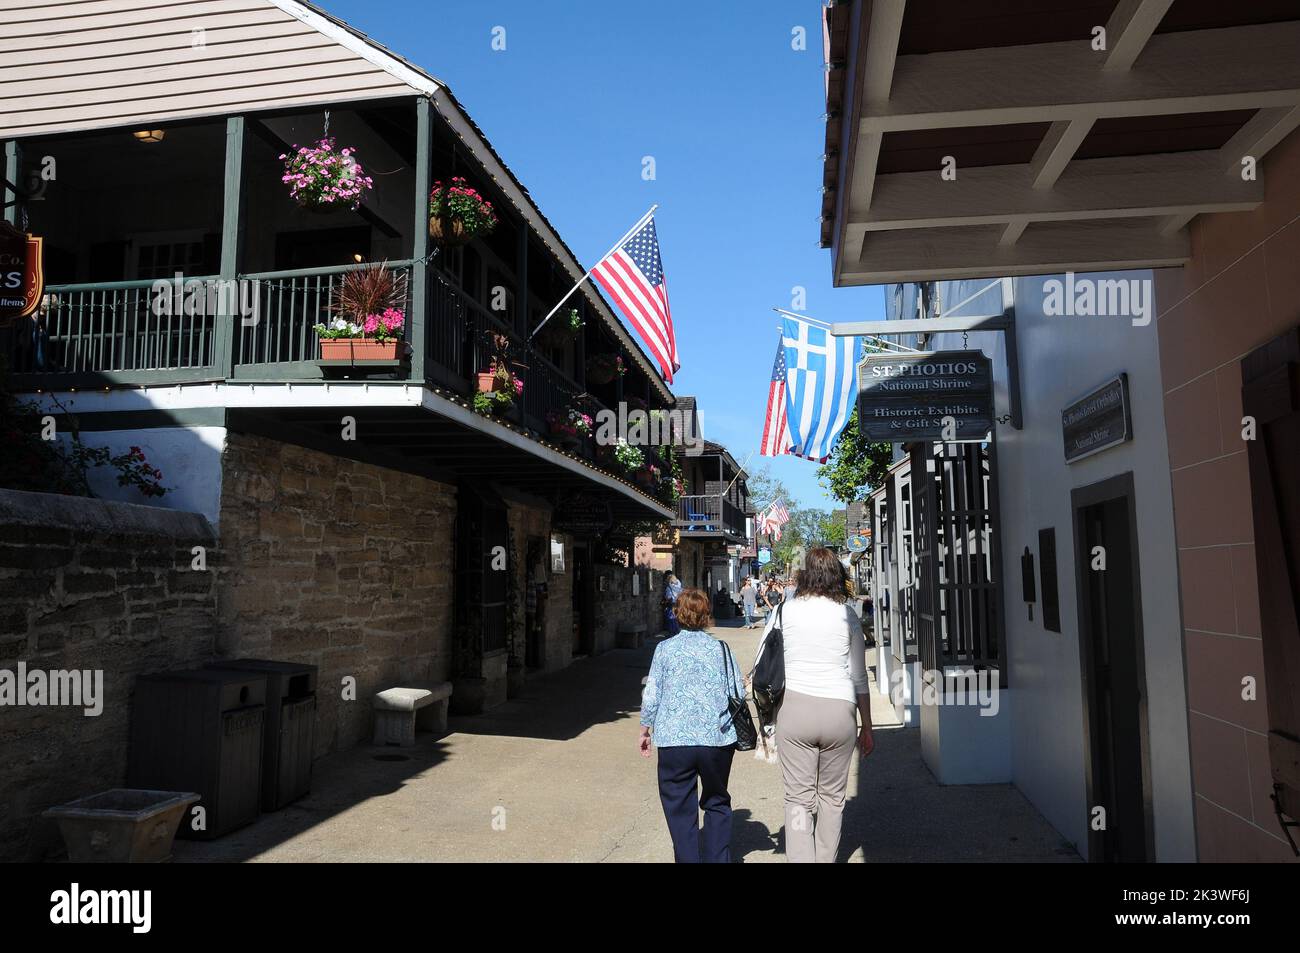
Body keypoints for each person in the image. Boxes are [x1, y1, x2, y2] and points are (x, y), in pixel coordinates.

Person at [755, 548, 873, 863]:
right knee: (833, 800)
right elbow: (859, 676)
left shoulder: (783, 611)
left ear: (805, 574)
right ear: (837, 575)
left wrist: (766, 723)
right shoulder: (847, 615)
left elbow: (761, 666)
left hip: (794, 712)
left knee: (797, 799)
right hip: (840, 712)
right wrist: (868, 726)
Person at [639, 588, 746, 863]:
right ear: (706, 615)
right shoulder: (721, 649)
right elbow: (738, 692)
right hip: (717, 739)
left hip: (675, 740)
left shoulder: (664, 649)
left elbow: (652, 693)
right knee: (717, 801)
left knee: (679, 807)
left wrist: (645, 728)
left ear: (678, 614)